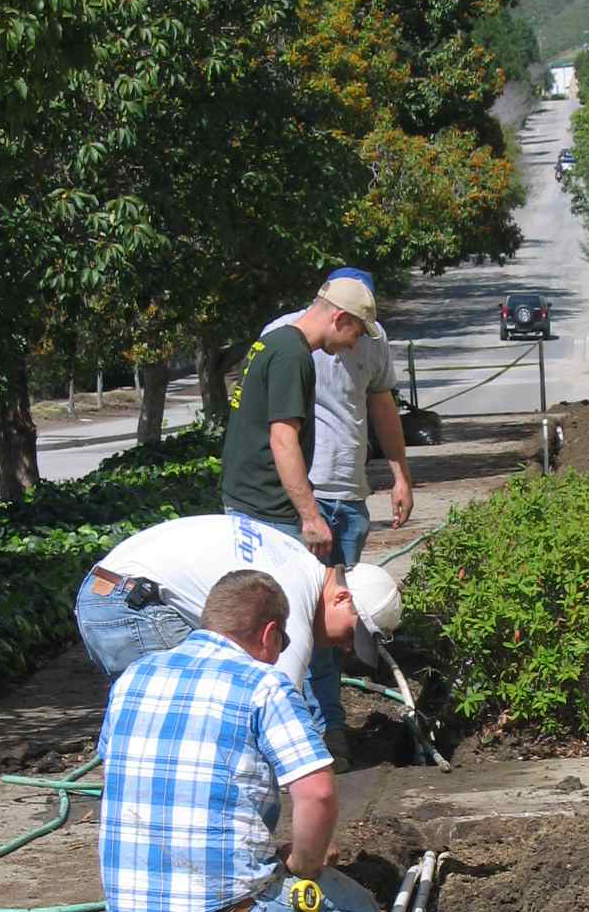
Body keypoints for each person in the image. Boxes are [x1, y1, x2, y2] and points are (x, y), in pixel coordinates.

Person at [97, 570, 384, 912]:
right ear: (269, 634)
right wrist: (305, 864)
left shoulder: (135, 675)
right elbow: (317, 792)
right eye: (282, 643)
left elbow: (118, 775)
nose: (279, 654)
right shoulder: (263, 685)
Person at [258, 268, 415, 768]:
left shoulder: (372, 338)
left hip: (349, 499)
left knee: (335, 625)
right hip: (307, 499)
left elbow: (382, 404)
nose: (352, 343)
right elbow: (273, 428)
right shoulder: (283, 339)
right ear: (337, 312)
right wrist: (301, 508)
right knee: (294, 622)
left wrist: (399, 473)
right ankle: (306, 735)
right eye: (353, 327)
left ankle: (328, 730)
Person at [73, 513, 403, 708]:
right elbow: (276, 702)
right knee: (186, 715)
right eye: (350, 633)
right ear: (341, 598)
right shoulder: (292, 597)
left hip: (112, 591)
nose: (346, 647)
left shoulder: (297, 562)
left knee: (176, 712)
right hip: (128, 603)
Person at [221, 274, 380, 563]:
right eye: (356, 333)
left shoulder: (272, 342)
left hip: (248, 504)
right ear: (340, 318)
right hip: (268, 512)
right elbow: (283, 439)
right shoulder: (293, 356)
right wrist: (311, 517)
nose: (354, 345)